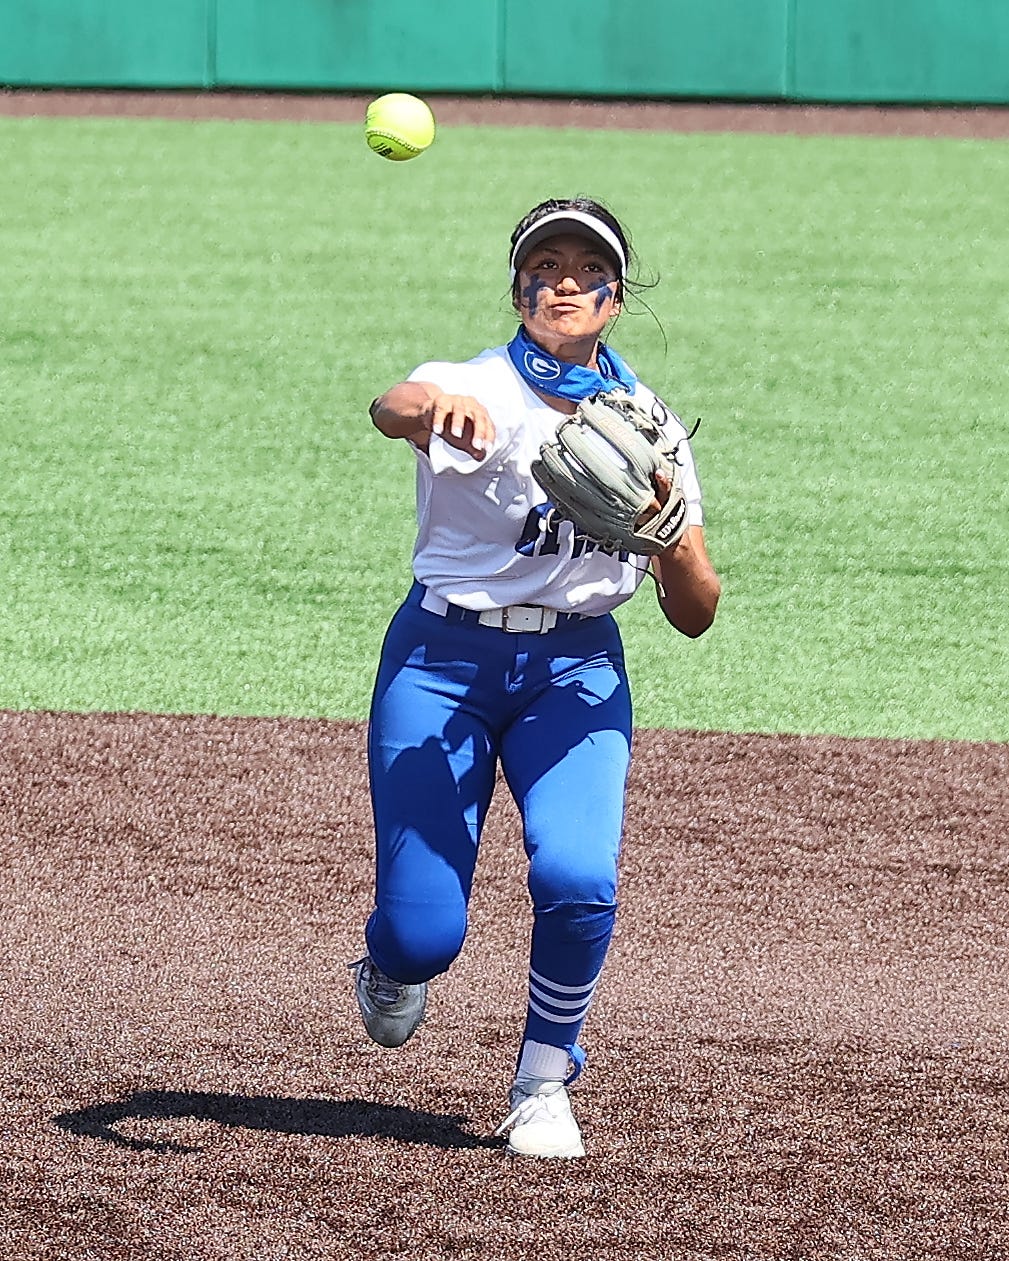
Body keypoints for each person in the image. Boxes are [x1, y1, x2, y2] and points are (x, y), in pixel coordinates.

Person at [350, 197, 720, 1159]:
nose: (562, 280)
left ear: (614, 294)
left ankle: (544, 1079)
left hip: (576, 669)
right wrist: (430, 409)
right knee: (424, 933)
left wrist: (668, 533)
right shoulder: (469, 382)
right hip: (440, 663)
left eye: (584, 267)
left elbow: (695, 610)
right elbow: (388, 405)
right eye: (543, 264)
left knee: (577, 874)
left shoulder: (652, 430)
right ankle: (391, 961)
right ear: (516, 286)